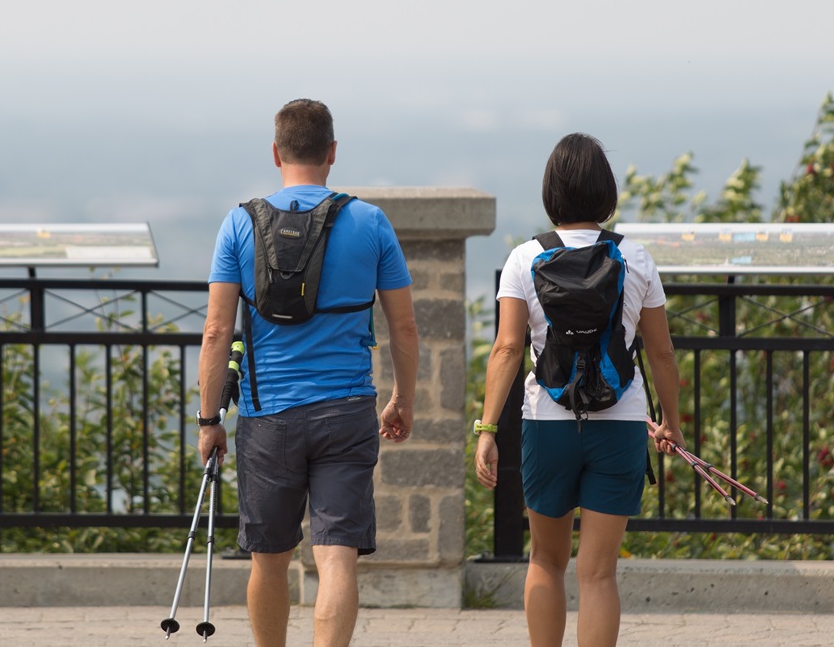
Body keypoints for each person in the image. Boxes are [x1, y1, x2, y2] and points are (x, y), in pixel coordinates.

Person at [197, 98, 419, 647]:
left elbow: (215, 332)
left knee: (268, 562)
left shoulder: (239, 223)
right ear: (332, 153)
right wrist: (402, 400)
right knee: (337, 557)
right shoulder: (369, 221)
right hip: (346, 409)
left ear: (276, 152)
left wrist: (208, 419)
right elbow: (406, 328)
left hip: (267, 413)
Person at [473, 132, 684, 647]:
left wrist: (487, 429)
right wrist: (672, 422)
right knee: (599, 574)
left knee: (546, 560)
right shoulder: (636, 259)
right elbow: (661, 353)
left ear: (552, 194)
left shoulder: (525, 259)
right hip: (622, 424)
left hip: (548, 424)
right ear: (606, 195)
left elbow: (505, 350)